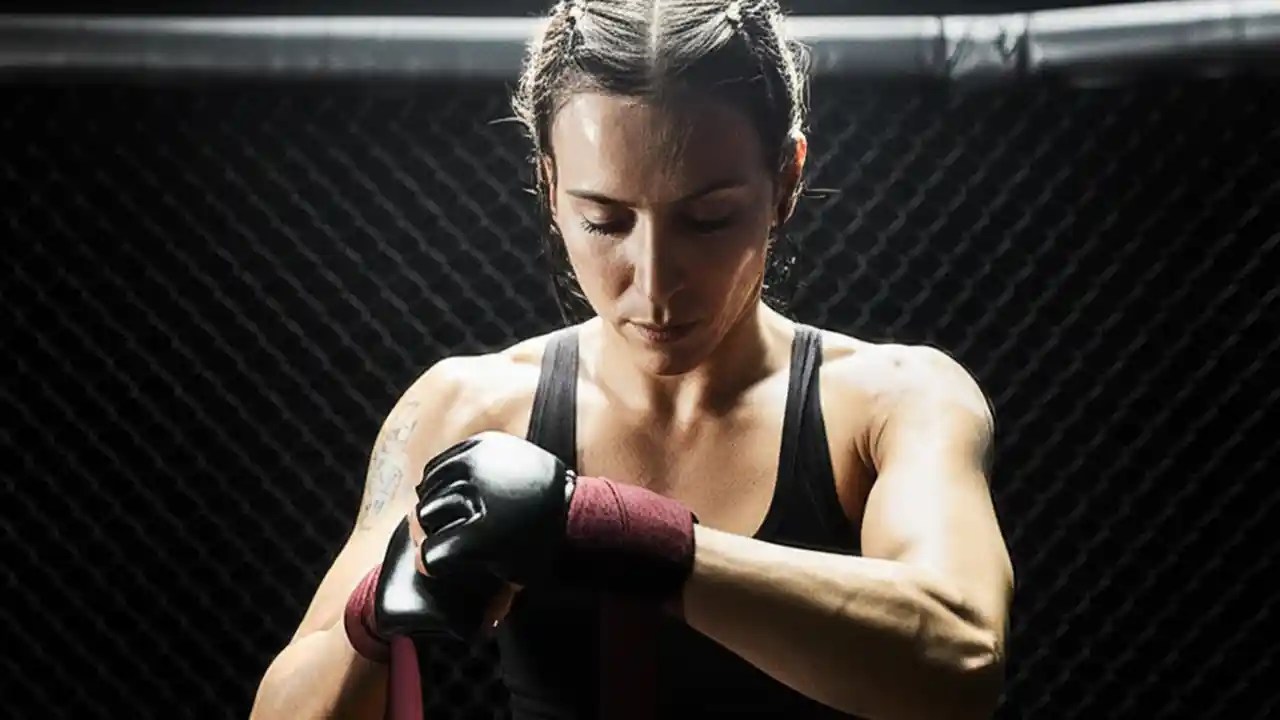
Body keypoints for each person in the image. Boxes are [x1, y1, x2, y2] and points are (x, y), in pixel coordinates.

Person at [250, 0, 1015, 718]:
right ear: (550, 187)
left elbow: (963, 658)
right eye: (606, 220)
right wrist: (371, 620)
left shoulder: (889, 405)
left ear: (786, 180)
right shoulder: (468, 409)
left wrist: (605, 529)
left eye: (708, 220)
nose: (654, 283)